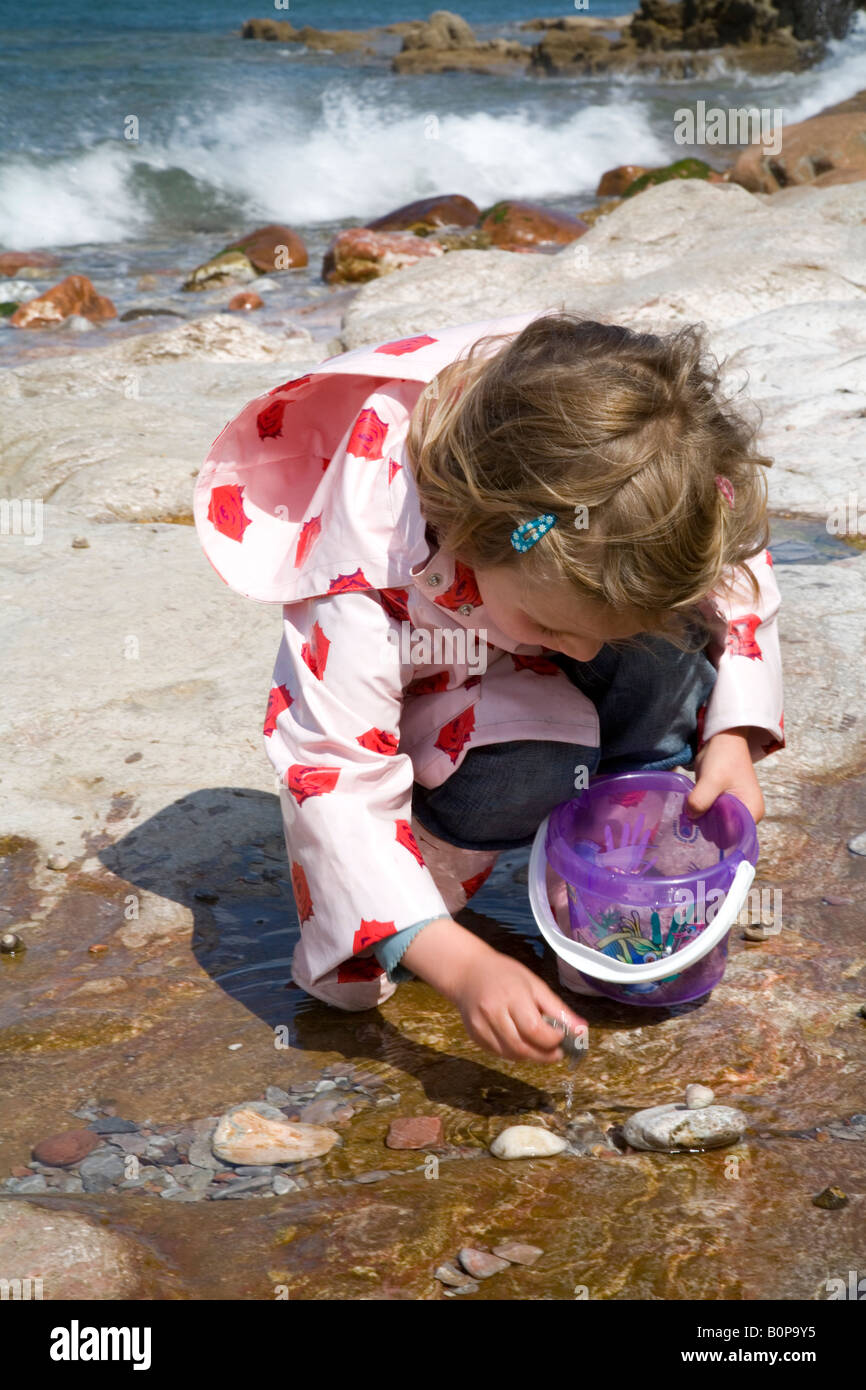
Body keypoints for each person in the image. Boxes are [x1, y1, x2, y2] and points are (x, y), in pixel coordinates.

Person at [193, 309, 784, 1064]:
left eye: (594, 632)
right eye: (553, 623)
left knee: (661, 655)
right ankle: (461, 846)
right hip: (441, 677)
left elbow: (727, 571)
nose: (585, 652)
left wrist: (731, 735)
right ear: (477, 534)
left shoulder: (639, 462)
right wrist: (459, 962)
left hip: (527, 583)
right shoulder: (367, 551)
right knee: (512, 784)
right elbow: (332, 770)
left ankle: (615, 844)